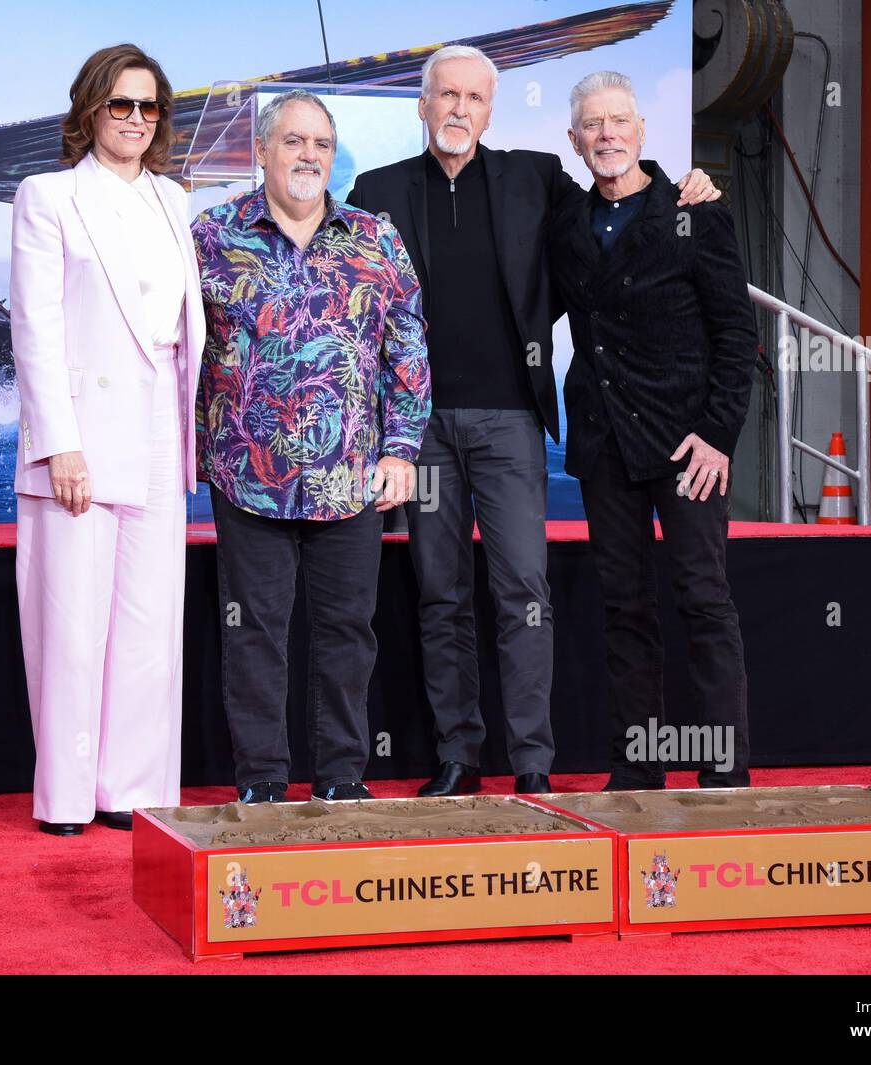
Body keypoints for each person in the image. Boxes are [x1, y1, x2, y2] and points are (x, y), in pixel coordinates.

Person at [347, 46, 719, 796]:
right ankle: (458, 756)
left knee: (525, 591)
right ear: (423, 106)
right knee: (439, 592)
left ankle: (532, 762)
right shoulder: (375, 191)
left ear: (491, 110)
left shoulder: (534, 177)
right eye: (445, 96)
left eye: (474, 98)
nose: (459, 110)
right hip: (417, 433)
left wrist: (694, 186)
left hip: (512, 422)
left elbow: (619, 194)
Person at [192, 90, 431, 804]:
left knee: (346, 632)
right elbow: (174, 346)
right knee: (255, 634)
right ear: (261, 151)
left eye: (321, 145)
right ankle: (261, 778)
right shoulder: (210, 234)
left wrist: (401, 448)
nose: (308, 156)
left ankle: (340, 776)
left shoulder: (375, 239)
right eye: (293, 142)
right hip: (246, 474)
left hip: (351, 475)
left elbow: (408, 349)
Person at [11, 44, 205, 834]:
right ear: (91, 108)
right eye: (119, 105)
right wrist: (60, 443)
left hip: (162, 417)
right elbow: (36, 327)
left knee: (148, 620)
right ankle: (64, 795)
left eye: (148, 107)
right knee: (71, 621)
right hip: (83, 430)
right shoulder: (48, 195)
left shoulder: (175, 201)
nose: (134, 119)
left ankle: (128, 787)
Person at [550, 71, 755, 789]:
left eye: (618, 121)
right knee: (624, 608)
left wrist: (718, 434)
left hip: (686, 444)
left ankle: (723, 777)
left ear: (640, 131)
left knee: (703, 598)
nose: (606, 135)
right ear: (574, 140)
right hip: (606, 442)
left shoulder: (694, 212)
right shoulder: (566, 224)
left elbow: (737, 332)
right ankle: (637, 772)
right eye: (592, 124)